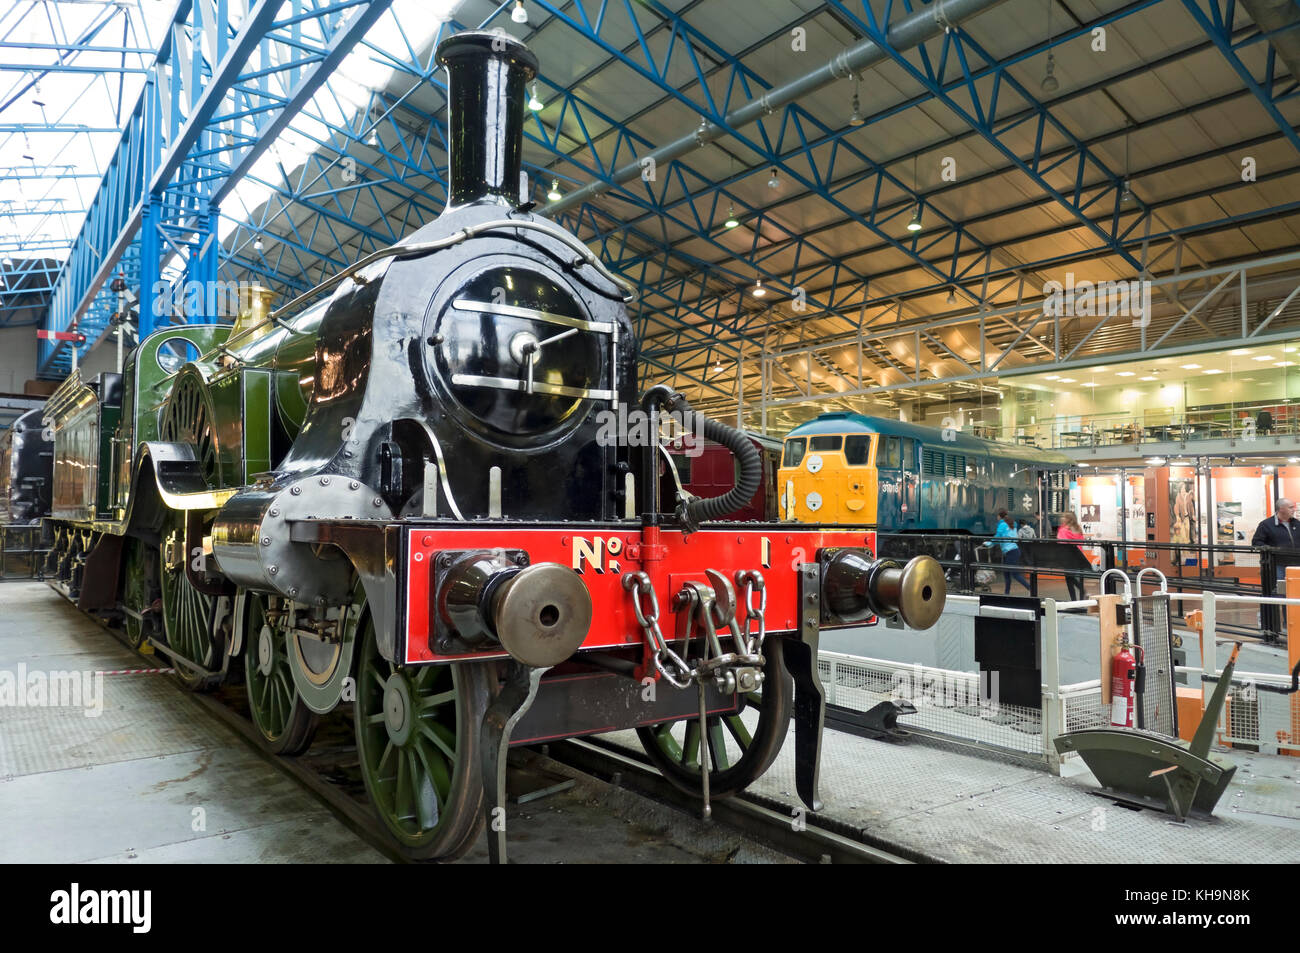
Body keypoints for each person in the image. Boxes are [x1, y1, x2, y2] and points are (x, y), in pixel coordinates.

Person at [1251, 497, 1300, 585]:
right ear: (1281, 509)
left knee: (1295, 589)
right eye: (1291, 507)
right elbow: (1256, 542)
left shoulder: (1297, 523)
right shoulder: (1266, 525)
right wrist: (1269, 549)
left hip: (1296, 564)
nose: (1294, 510)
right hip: (1278, 565)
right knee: (1279, 591)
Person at [985, 508, 1030, 594]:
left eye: (997, 516)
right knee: (1006, 573)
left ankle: (1030, 588)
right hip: (1014, 551)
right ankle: (1007, 593)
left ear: (999, 516)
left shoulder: (1002, 525)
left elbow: (998, 537)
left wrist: (989, 543)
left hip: (1011, 552)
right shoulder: (1012, 523)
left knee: (1015, 574)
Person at [1056, 512, 1088, 602]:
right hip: (1078, 555)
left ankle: (1074, 599)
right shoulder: (1077, 528)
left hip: (1068, 557)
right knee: (1072, 577)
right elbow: (1081, 542)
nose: (1061, 518)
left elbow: (1061, 543)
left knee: (1069, 579)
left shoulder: (1063, 529)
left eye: (1063, 517)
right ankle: (1081, 593)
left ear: (1068, 519)